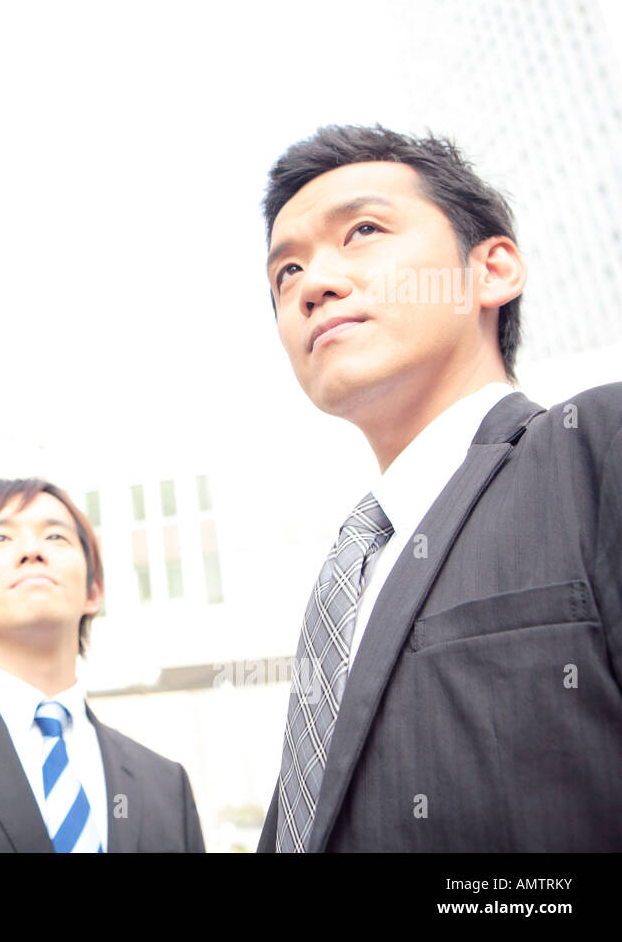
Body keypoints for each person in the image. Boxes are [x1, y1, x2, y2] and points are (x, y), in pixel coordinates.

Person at [257, 124, 622, 852]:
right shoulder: (345, 577)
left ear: (491, 271)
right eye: (285, 273)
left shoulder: (598, 448)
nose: (313, 286)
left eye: (363, 229)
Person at [0, 478, 205, 852]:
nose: (32, 550)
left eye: (55, 537)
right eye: (0, 538)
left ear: (93, 592)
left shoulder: (165, 784)